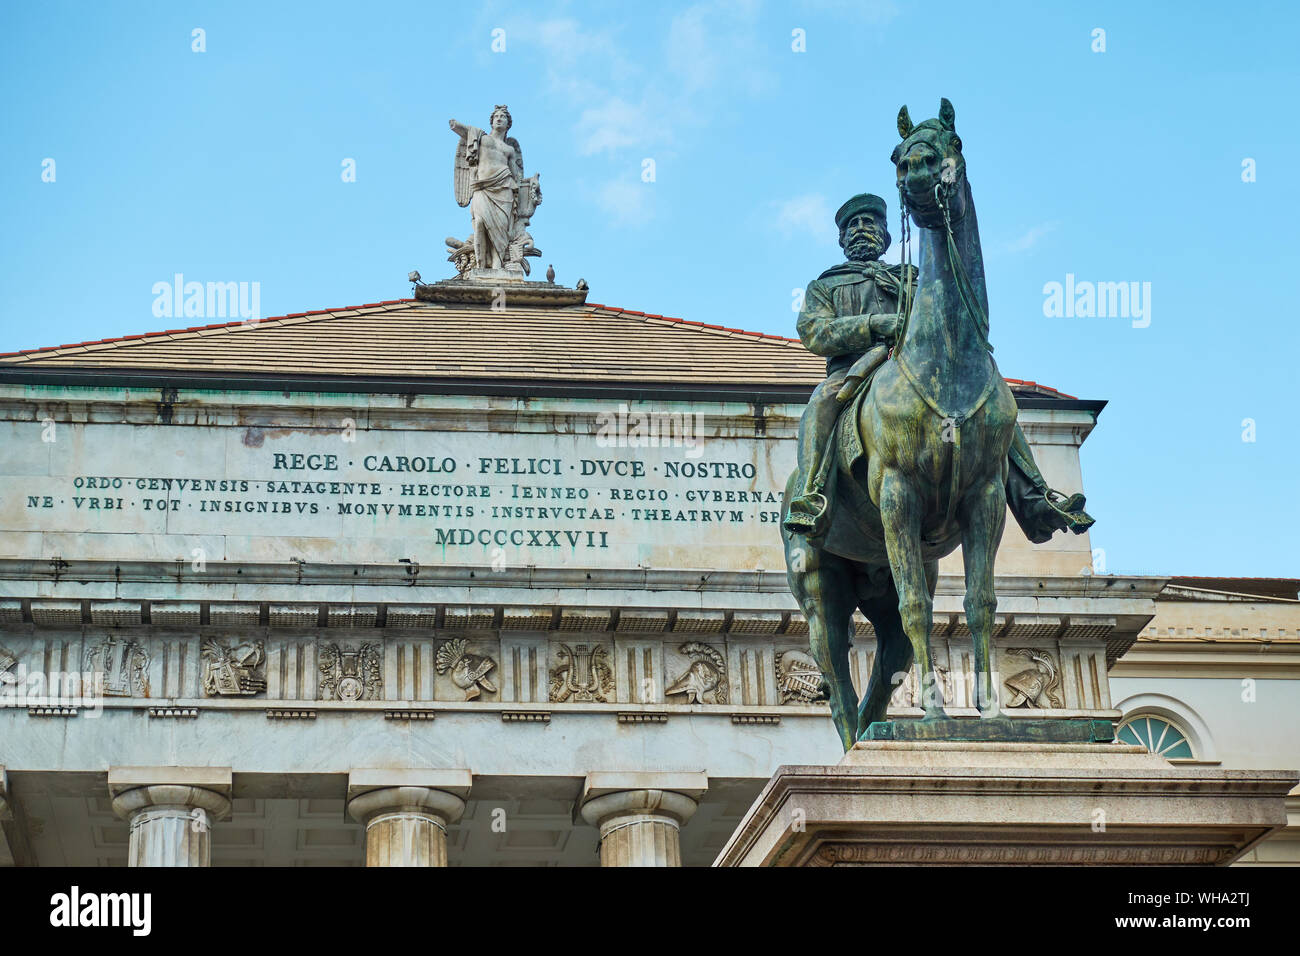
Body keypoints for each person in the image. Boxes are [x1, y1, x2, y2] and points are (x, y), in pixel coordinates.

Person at [784, 192, 1093, 543]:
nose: (859, 229)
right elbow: (815, 331)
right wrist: (875, 324)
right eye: (852, 225)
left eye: (869, 222)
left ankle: (1035, 499)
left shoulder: (912, 278)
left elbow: (943, 317)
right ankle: (812, 495)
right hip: (853, 372)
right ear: (841, 240)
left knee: (992, 407)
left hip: (917, 369)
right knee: (820, 405)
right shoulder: (825, 285)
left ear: (886, 234)